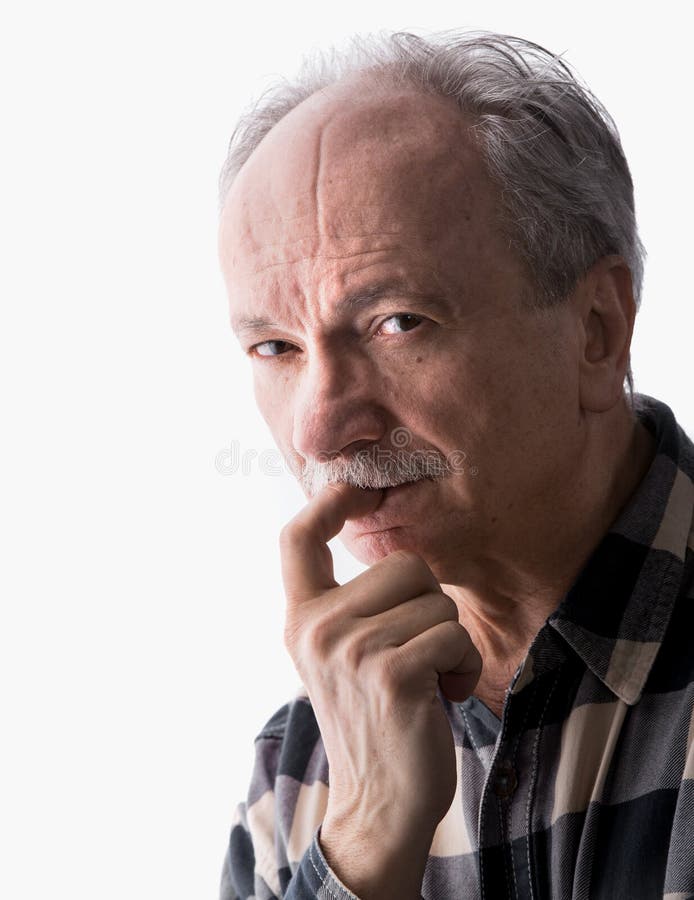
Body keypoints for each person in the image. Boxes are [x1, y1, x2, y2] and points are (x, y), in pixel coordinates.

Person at [216, 30, 694, 900]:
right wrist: (359, 847)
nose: (319, 431)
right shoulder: (300, 771)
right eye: (275, 346)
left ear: (598, 331)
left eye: (398, 322)